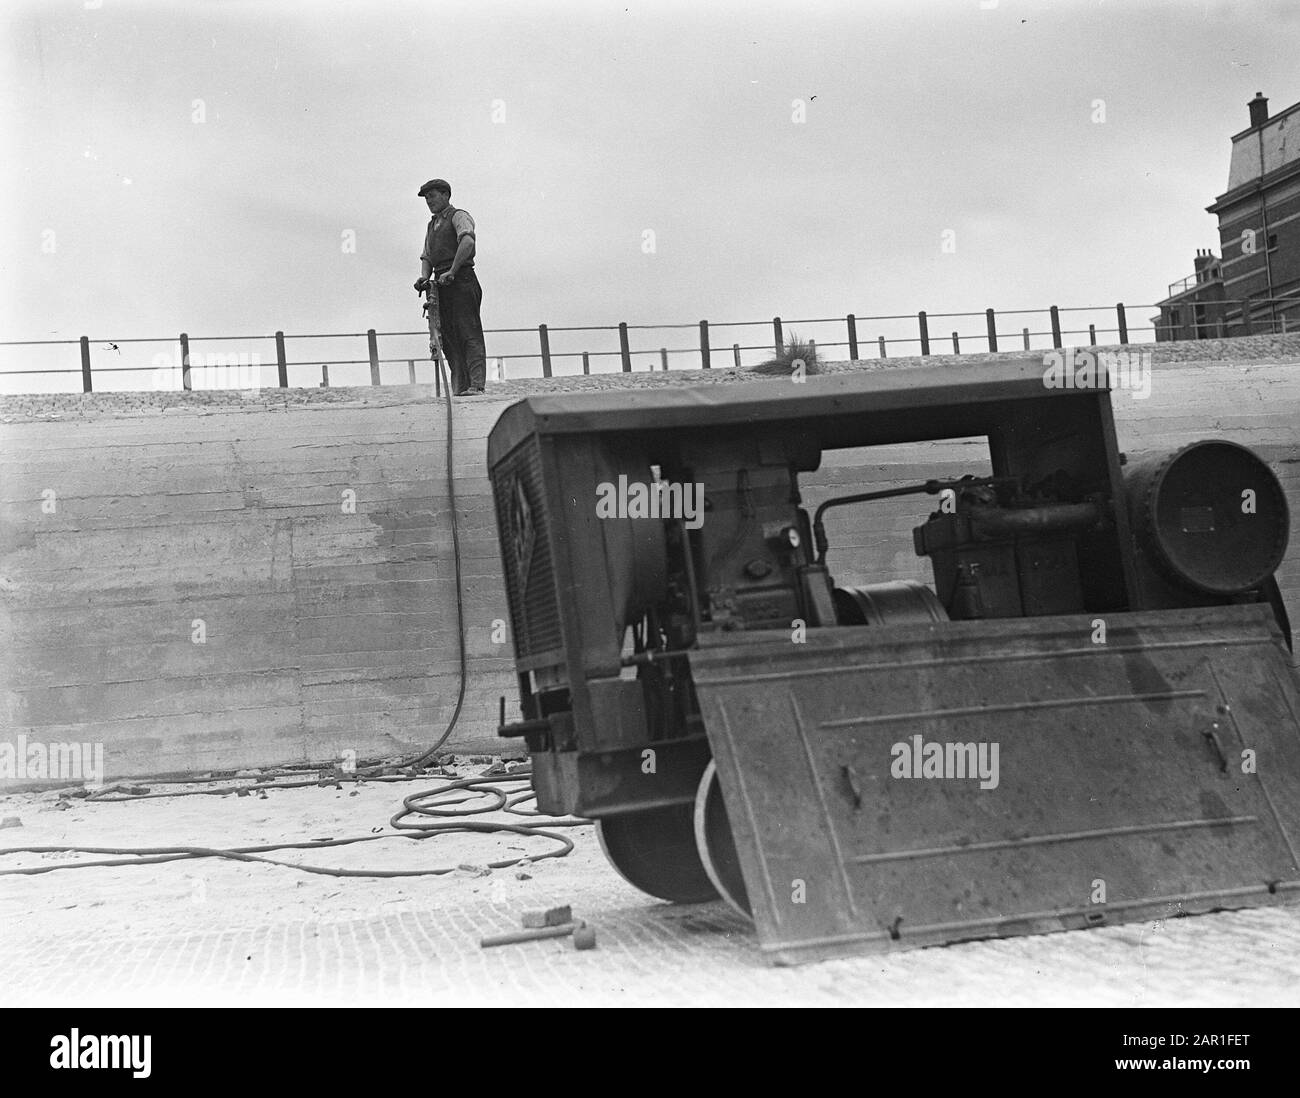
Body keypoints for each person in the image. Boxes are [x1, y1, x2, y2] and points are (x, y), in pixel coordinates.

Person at [414, 179, 486, 396]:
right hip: (440, 286)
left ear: (445, 195)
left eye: (432, 196)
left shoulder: (459, 216)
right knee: (447, 337)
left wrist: (453, 270)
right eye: (426, 198)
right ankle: (459, 386)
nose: (429, 201)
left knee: (468, 332)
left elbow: (468, 243)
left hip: (462, 280)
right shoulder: (432, 225)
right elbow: (427, 256)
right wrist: (424, 277)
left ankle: (476, 385)